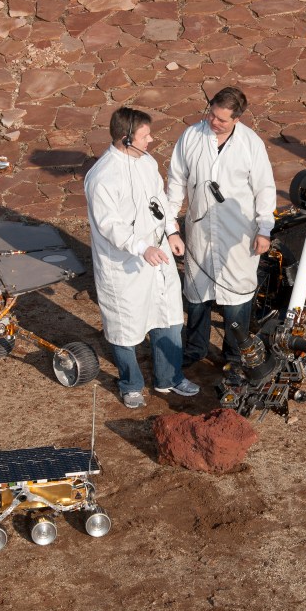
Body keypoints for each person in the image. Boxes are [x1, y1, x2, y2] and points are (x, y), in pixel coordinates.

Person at [85, 107, 200, 408]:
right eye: (145, 135)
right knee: (125, 326)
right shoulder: (102, 177)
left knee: (169, 316)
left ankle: (169, 378)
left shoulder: (147, 162)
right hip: (124, 266)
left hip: (157, 256)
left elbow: (158, 202)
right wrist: (141, 248)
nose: (151, 139)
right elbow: (110, 226)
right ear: (126, 139)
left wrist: (172, 232)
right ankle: (130, 383)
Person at [166, 87, 276, 385]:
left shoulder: (251, 144)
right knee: (197, 293)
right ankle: (195, 348)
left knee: (236, 297)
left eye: (222, 120)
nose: (214, 122)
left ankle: (234, 355)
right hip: (200, 231)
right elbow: (177, 180)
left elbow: (264, 187)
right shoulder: (190, 137)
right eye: (212, 114)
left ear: (237, 119)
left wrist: (264, 229)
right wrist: (170, 223)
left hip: (238, 236)